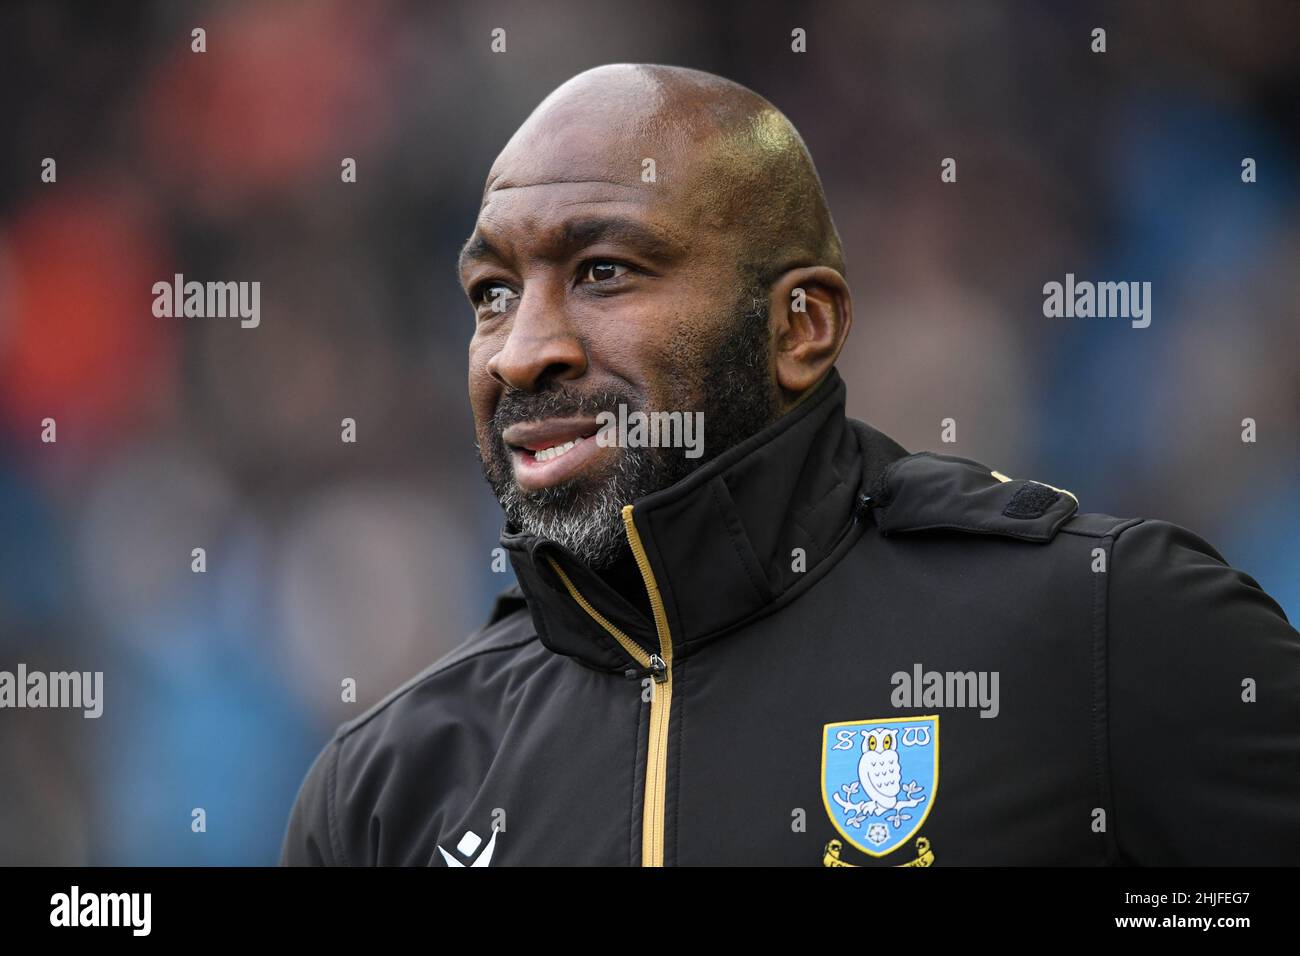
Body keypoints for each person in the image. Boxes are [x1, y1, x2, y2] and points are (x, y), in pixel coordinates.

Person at [281, 64, 1300, 866]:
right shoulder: (386, 788)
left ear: (800, 324)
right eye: (493, 292)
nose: (519, 350)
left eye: (603, 271)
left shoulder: (1107, 631)